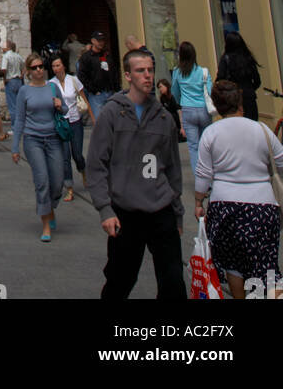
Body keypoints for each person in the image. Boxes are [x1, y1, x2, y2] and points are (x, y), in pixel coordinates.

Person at [85, 48, 186, 300]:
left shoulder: (164, 118)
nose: (147, 76)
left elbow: (172, 168)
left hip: (161, 209)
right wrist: (105, 210)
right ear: (128, 76)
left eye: (150, 70)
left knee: (173, 282)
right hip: (125, 211)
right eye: (140, 71)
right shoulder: (111, 113)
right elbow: (96, 165)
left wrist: (178, 213)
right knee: (120, 280)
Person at [194, 79, 283, 299]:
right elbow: (281, 163)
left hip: (225, 208)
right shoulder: (262, 130)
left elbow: (203, 174)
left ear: (216, 104)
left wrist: (198, 202)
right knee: (267, 267)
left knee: (234, 266)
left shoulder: (211, 133)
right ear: (239, 102)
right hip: (262, 208)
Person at [10, 52, 64, 237]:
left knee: (57, 183)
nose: (39, 70)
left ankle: (50, 208)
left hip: (53, 138)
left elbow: (64, 110)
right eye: (35, 67)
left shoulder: (53, 88)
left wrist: (60, 105)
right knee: (42, 180)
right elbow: (19, 120)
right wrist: (15, 147)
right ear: (28, 71)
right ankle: (46, 225)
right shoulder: (24, 91)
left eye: (41, 66)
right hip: (33, 140)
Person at [50, 51, 94, 199]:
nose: (56, 68)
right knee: (65, 156)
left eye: (58, 65)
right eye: (53, 66)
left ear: (63, 65)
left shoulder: (73, 80)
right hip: (62, 122)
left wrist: (92, 117)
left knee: (77, 154)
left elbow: (84, 99)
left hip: (75, 121)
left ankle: (83, 171)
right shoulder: (51, 84)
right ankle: (69, 187)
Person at [169, 41, 214, 174]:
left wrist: (180, 102)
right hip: (204, 110)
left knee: (193, 147)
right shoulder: (202, 71)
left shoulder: (177, 72)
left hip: (188, 109)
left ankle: (199, 179)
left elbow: (175, 92)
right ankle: (210, 177)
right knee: (206, 145)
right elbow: (210, 91)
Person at [216, 32, 261, 122]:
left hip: (233, 99)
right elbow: (257, 81)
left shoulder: (225, 59)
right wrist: (250, 89)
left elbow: (220, 78)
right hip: (249, 97)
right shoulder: (248, 58)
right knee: (252, 124)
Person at [77, 32, 117, 120]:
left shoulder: (106, 55)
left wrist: (115, 87)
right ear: (93, 41)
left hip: (110, 92)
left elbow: (113, 71)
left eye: (102, 40)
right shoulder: (86, 57)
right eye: (99, 40)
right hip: (96, 95)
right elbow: (81, 75)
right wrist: (93, 90)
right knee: (100, 122)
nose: (101, 43)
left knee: (112, 121)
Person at [1, 39, 24, 128]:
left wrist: (4, 79)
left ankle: (15, 127)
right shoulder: (17, 56)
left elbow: (4, 69)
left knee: (12, 106)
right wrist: (22, 74)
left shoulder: (6, 56)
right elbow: (24, 65)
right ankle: (21, 125)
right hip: (18, 80)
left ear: (7, 47)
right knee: (19, 105)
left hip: (10, 80)